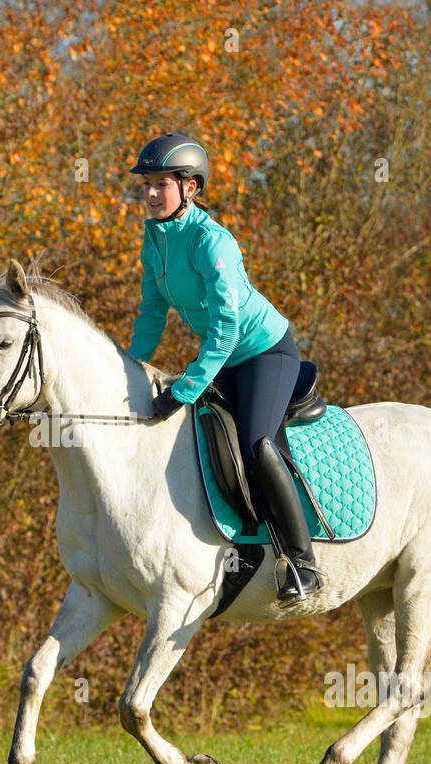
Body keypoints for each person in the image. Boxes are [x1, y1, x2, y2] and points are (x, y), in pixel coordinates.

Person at [127, 132, 321, 604]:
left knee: (257, 444)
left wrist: (188, 385)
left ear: (190, 188)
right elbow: (152, 311)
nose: (150, 194)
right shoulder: (154, 240)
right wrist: (129, 366)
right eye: (146, 185)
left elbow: (227, 331)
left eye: (160, 185)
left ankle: (301, 563)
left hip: (262, 353)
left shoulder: (213, 244)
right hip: (222, 355)